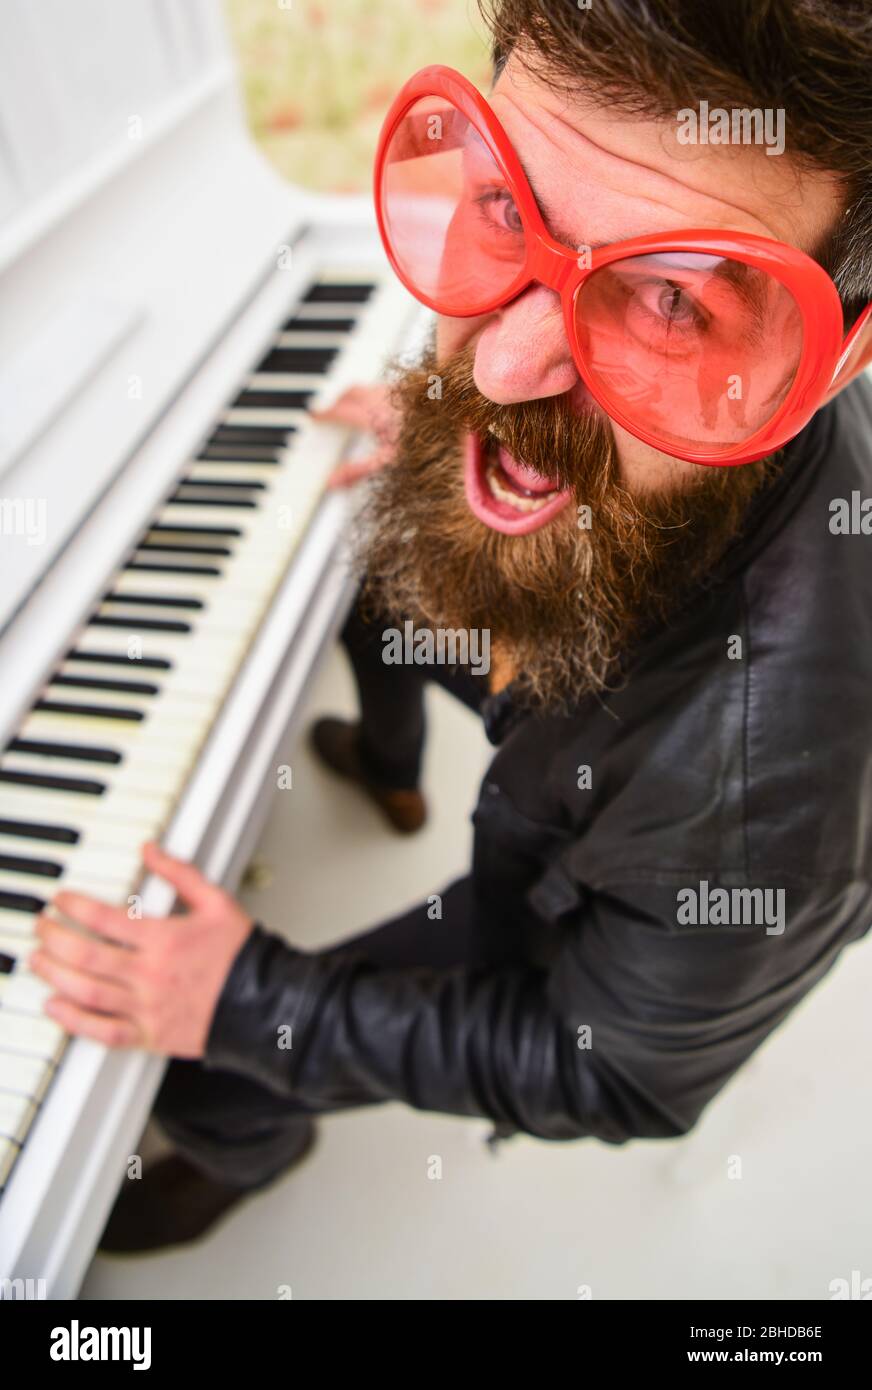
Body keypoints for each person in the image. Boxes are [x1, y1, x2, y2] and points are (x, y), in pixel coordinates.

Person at [30, 0, 872, 1251]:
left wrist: (245, 996)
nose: (491, 373)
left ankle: (241, 1150)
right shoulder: (583, 421)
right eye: (505, 204)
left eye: (674, 302)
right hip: (579, 725)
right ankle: (390, 769)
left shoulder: (760, 815)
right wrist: (456, 461)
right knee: (392, 568)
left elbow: (613, 1075)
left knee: (207, 1065)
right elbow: (479, 394)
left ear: (835, 364)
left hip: (575, 856)